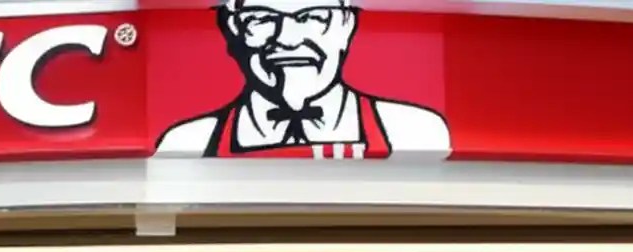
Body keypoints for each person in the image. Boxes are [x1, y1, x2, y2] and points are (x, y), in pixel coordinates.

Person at [156, 0, 450, 160]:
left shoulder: (415, 131)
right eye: (261, 18)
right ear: (235, 31)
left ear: (347, 25)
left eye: (312, 17)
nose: (287, 39)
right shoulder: (185, 142)